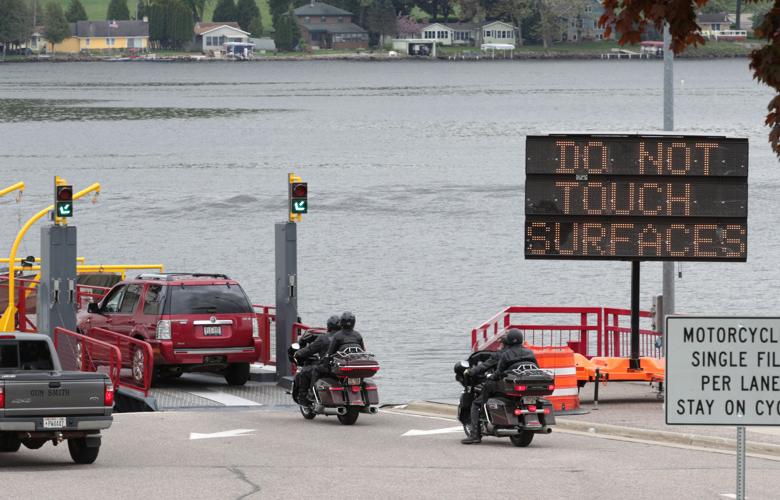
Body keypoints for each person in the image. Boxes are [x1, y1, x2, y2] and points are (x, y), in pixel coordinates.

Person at [461, 328, 537, 445]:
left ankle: (474, 435)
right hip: (524, 385)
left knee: (476, 403)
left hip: (505, 385)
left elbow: (493, 370)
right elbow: (535, 368)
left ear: (508, 340)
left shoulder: (504, 354)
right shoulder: (530, 352)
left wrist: (472, 372)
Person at [293, 315, 340, 405]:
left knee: (304, 372)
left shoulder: (324, 338)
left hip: (328, 367)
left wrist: (298, 353)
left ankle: (305, 398)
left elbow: (309, 349)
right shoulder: (343, 337)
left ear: (329, 326)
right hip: (340, 367)